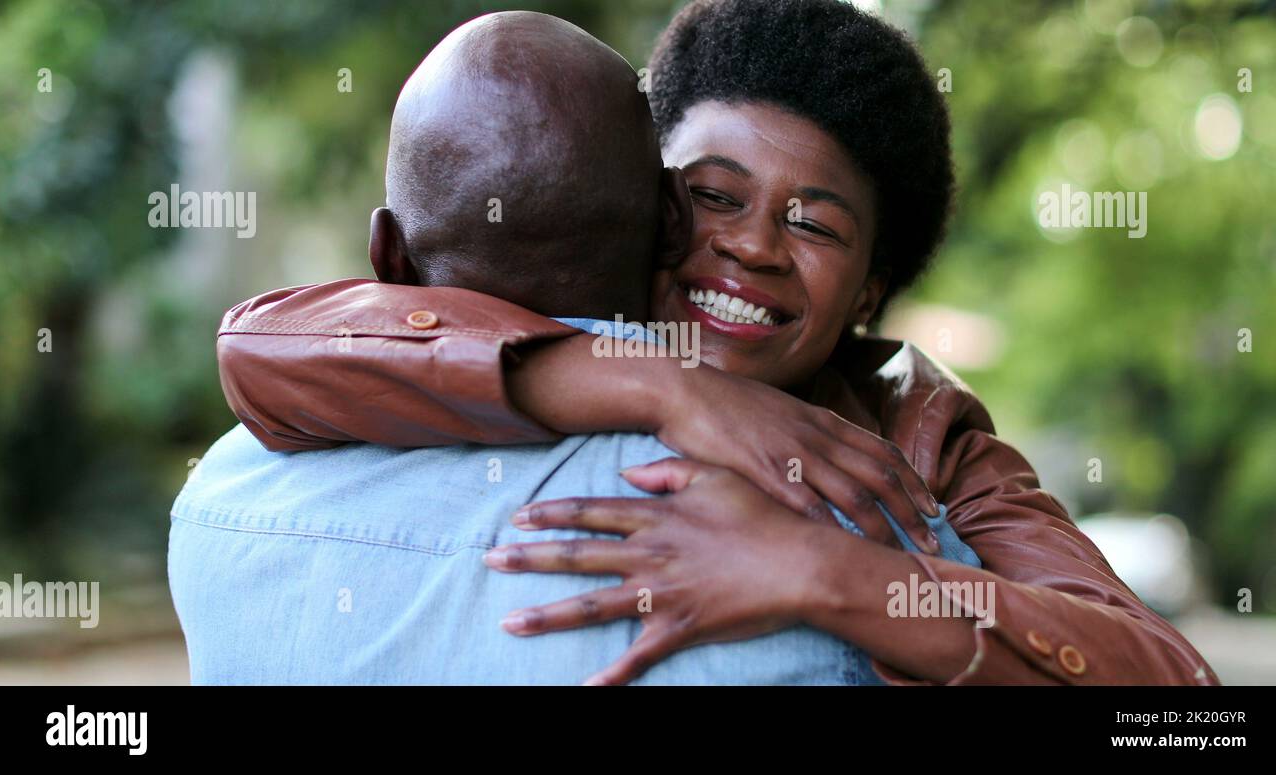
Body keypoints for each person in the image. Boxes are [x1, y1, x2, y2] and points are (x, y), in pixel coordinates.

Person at [212, 0, 1219, 685]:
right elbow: (266, 348)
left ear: (869, 290)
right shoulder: (526, 304)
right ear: (644, 205)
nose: (748, 245)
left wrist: (823, 570)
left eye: (814, 223)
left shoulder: (927, 438)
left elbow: (1173, 697)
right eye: (712, 197)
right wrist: (653, 386)